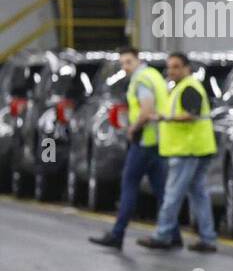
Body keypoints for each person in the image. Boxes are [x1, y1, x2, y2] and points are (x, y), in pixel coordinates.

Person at [89, 47, 170, 249]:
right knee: (161, 190)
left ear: (137, 60)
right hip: (158, 140)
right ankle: (172, 232)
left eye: (128, 62)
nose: (125, 67)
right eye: (123, 63)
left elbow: (147, 109)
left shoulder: (141, 80)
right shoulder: (155, 75)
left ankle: (117, 234)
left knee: (129, 184)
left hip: (144, 140)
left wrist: (133, 129)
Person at [137, 52, 219, 253]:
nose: (171, 71)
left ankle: (162, 235)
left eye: (176, 67)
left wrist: (165, 118)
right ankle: (208, 238)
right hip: (197, 148)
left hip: (187, 150)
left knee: (173, 194)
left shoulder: (189, 87)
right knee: (199, 193)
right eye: (169, 67)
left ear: (187, 68)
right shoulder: (182, 87)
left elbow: (191, 115)